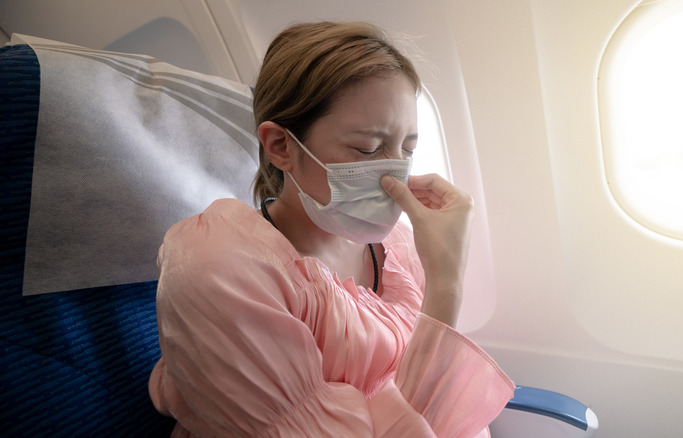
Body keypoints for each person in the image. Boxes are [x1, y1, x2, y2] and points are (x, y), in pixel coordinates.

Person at [148, 21, 514, 437]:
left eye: (407, 149)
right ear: (281, 147)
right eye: (368, 149)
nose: (393, 171)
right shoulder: (220, 268)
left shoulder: (396, 245)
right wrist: (446, 285)